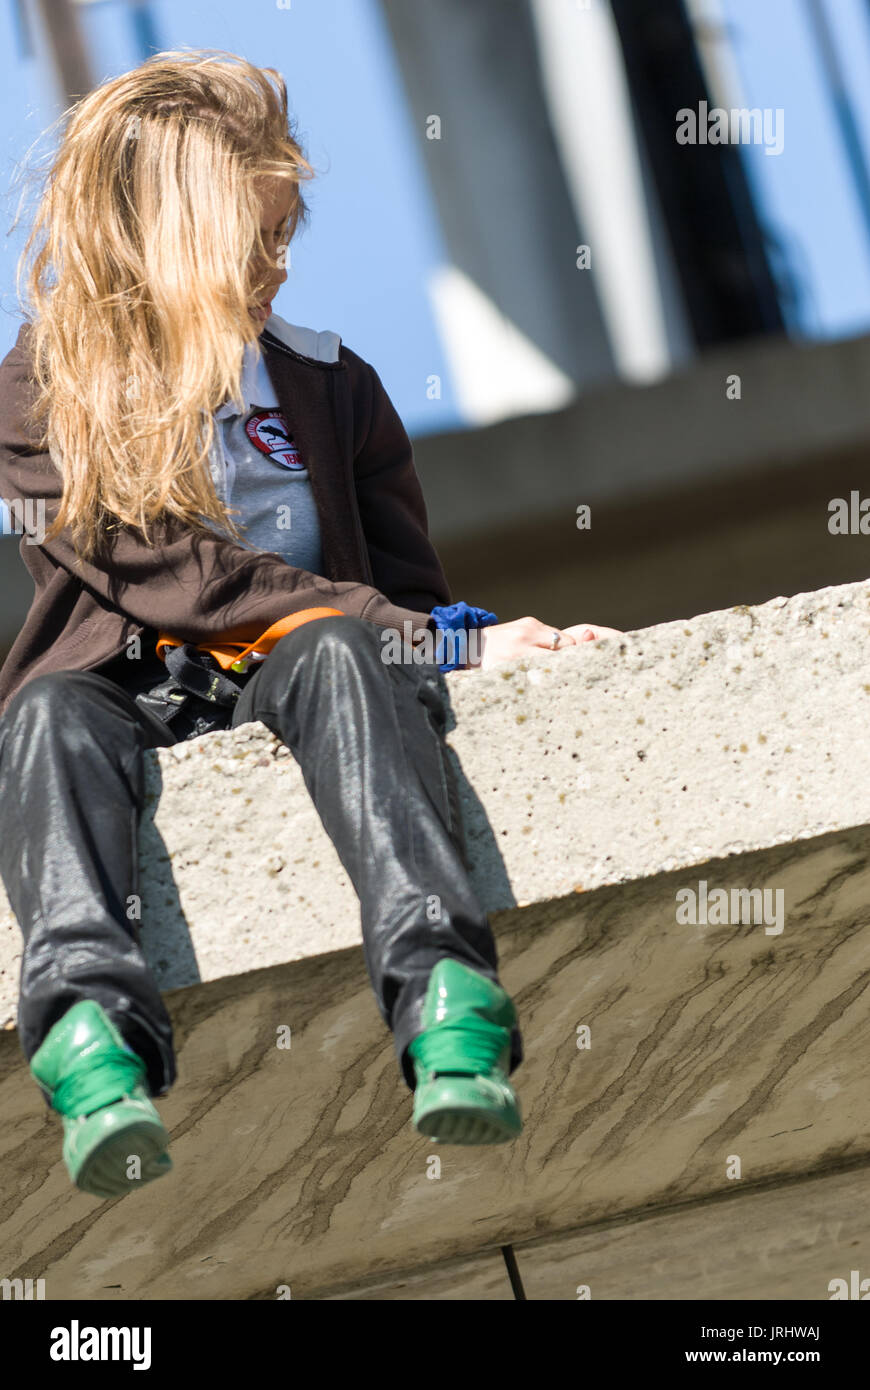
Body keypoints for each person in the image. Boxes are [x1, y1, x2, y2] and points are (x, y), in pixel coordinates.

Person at [0, 49, 620, 1200]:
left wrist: (477, 641)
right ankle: (88, 1034)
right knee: (42, 716)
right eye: (256, 237)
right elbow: (177, 579)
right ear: (177, 233)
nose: (280, 262)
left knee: (338, 643)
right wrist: (433, 636)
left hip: (303, 664)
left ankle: (444, 995)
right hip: (125, 682)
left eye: (291, 231)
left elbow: (403, 596)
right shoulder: (41, 387)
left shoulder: (334, 384)